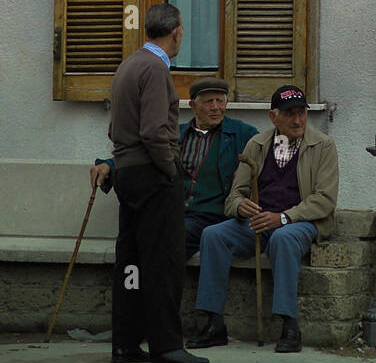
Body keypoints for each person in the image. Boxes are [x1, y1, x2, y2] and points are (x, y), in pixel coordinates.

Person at [187, 85, 338, 354]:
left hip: (299, 222)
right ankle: (214, 323)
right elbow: (235, 194)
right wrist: (240, 206)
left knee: (283, 238)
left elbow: (324, 200)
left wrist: (283, 217)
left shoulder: (322, 146)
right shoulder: (257, 145)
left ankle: (289, 324)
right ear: (273, 117)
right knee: (213, 234)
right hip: (258, 221)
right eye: (289, 113)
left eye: (301, 112)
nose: (297, 120)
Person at [108, 2, 209, 363]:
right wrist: (171, 170)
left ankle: (126, 342)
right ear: (176, 32)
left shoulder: (129, 65)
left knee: (131, 262)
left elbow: (118, 126)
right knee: (163, 261)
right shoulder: (155, 69)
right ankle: (166, 345)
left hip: (127, 172)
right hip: (153, 174)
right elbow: (153, 130)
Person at [92, 80, 259, 260]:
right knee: (137, 233)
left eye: (220, 101)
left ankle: (159, 286)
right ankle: (138, 285)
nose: (216, 107)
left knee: (173, 237)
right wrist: (108, 165)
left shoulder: (242, 134)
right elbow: (141, 155)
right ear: (193, 106)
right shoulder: (175, 135)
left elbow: (265, 163)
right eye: (209, 102)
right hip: (174, 211)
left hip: (213, 216)